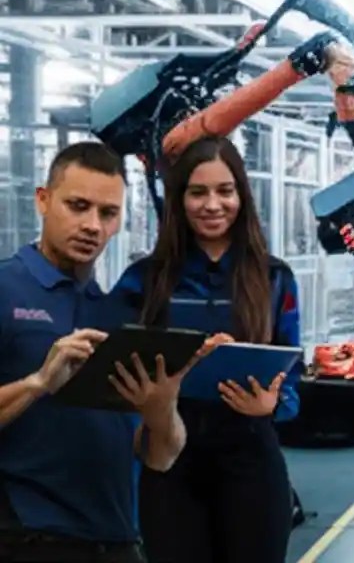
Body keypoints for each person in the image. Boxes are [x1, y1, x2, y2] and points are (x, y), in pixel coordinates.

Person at [0, 141, 199, 563]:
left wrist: (161, 409)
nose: (92, 225)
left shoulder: (115, 311)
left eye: (107, 213)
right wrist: (37, 384)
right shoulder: (6, 289)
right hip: (27, 539)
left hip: (118, 539)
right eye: (77, 206)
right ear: (43, 200)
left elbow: (160, 458)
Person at [110, 136, 303, 563]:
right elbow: (112, 362)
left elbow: (291, 370)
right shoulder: (146, 280)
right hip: (169, 457)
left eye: (224, 190)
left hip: (251, 457)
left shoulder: (273, 279)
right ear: (179, 200)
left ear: (241, 196)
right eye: (197, 192)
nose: (212, 204)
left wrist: (272, 404)